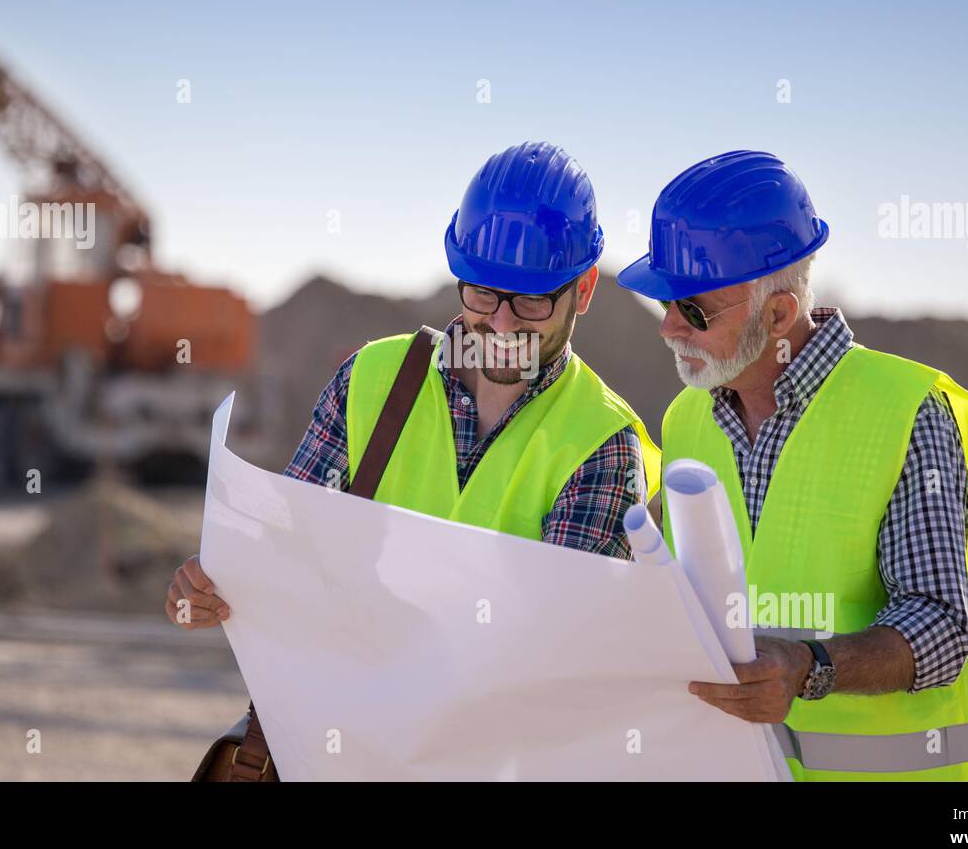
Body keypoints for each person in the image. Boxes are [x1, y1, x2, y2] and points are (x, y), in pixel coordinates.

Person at [618, 149, 968, 781]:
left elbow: (940, 626)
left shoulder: (905, 410)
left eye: (693, 309)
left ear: (777, 314)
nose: (668, 328)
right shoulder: (686, 420)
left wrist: (809, 666)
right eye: (665, 303)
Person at [169, 140, 660, 633]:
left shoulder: (602, 442)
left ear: (585, 289)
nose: (504, 325)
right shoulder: (369, 379)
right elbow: (292, 548)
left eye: (532, 302)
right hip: (331, 703)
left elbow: (560, 647)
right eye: (485, 294)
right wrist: (222, 586)